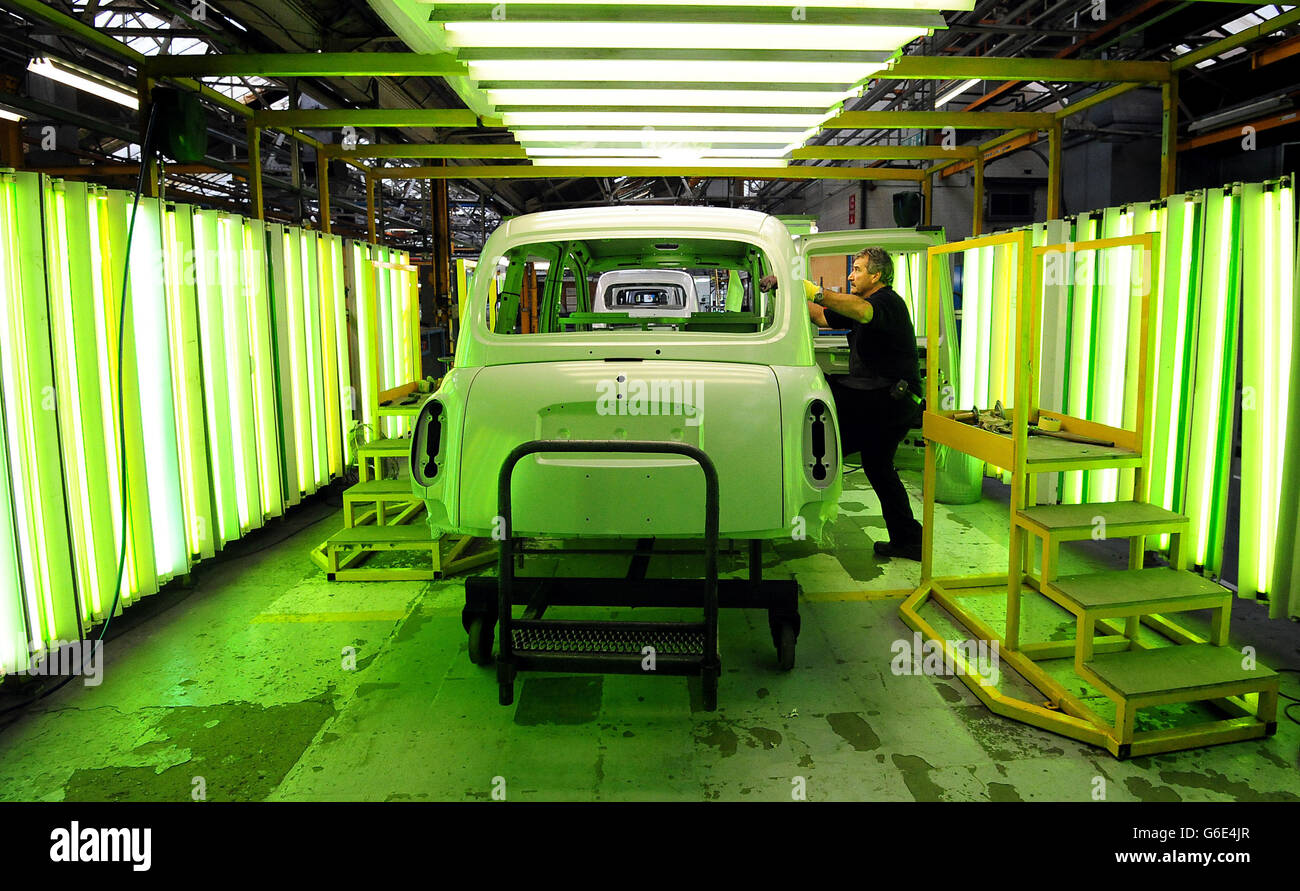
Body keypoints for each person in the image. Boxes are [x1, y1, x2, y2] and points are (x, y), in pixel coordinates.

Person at [761, 247, 924, 560]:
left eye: (858, 269)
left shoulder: (886, 302)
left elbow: (861, 311)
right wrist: (789, 292)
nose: (851, 275)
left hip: (892, 400)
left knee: (816, 433)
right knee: (878, 468)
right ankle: (908, 539)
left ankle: (796, 502)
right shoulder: (859, 305)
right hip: (884, 399)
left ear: (876, 275)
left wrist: (813, 289)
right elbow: (821, 316)